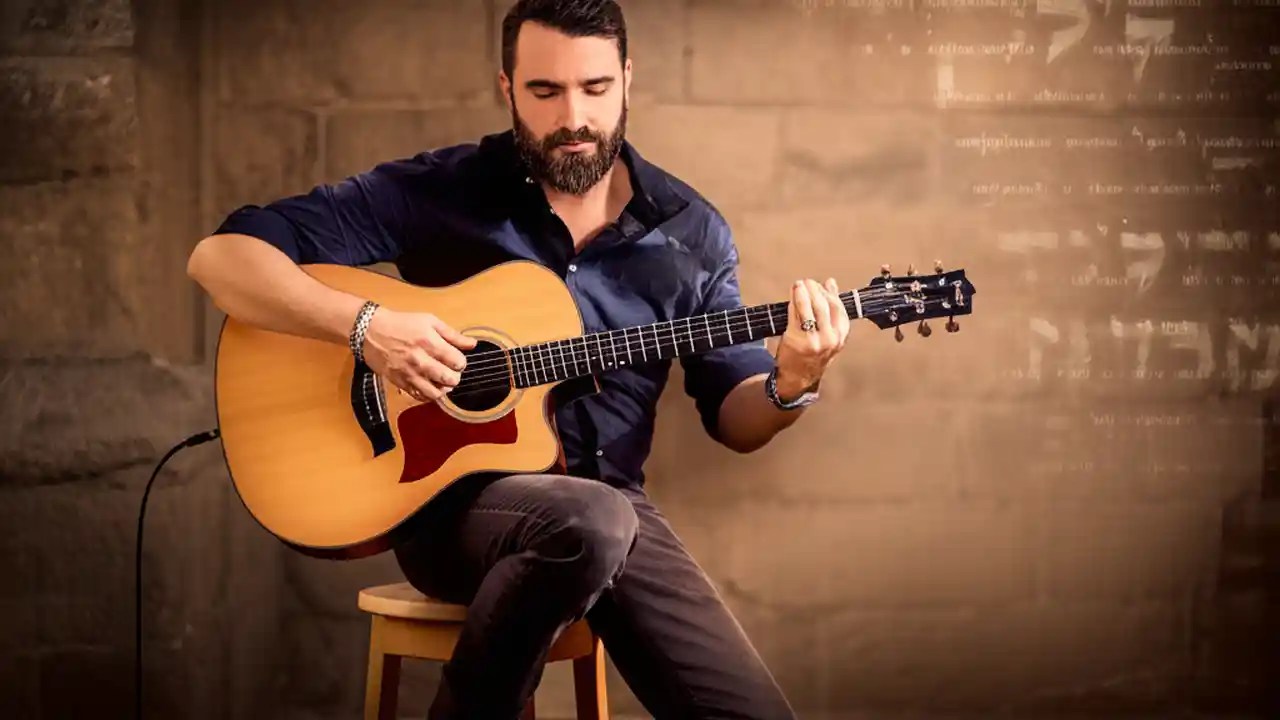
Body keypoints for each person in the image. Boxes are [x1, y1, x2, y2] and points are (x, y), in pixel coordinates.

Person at [187, 0, 850, 717]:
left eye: (595, 89)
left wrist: (792, 382)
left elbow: (735, 415)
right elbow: (221, 260)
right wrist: (367, 326)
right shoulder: (446, 189)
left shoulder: (691, 233)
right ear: (507, 88)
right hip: (451, 509)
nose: (574, 117)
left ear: (627, 79)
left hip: (611, 509)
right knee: (591, 523)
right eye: (545, 91)